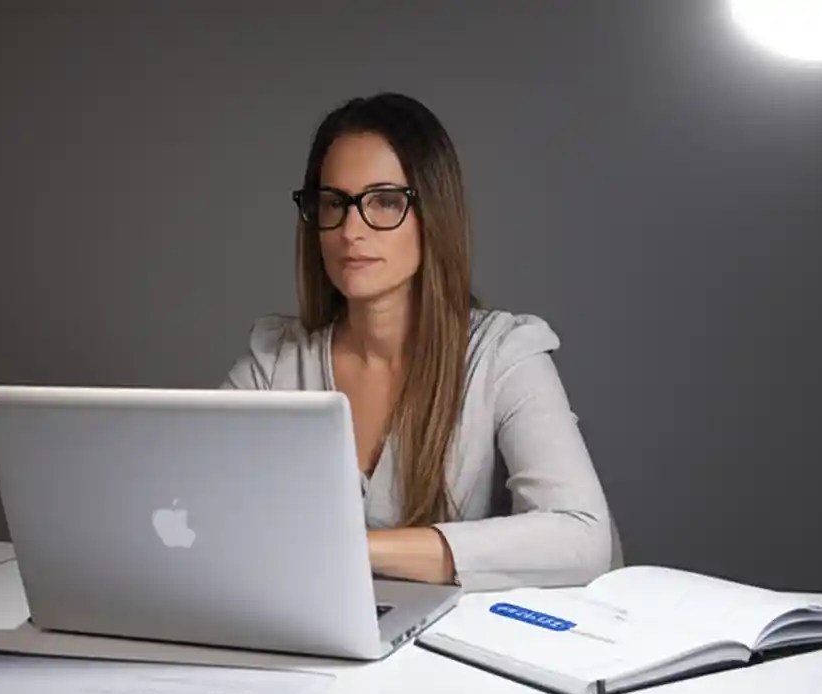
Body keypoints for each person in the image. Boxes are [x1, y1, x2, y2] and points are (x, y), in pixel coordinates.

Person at [222, 92, 618, 593]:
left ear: (433, 214)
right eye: (332, 203)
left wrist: (352, 549)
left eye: (385, 201)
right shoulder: (275, 360)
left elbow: (581, 537)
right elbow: (197, 513)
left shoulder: (504, 354)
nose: (350, 230)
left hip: (454, 653)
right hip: (308, 633)